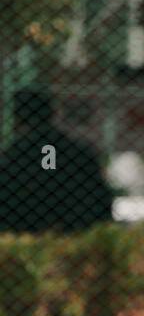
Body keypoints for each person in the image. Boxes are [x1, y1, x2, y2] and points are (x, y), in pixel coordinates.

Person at [0, 89, 113, 233]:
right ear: (52, 114)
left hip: (26, 233)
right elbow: (102, 200)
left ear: (17, 118)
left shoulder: (12, 157)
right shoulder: (79, 152)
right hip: (76, 233)